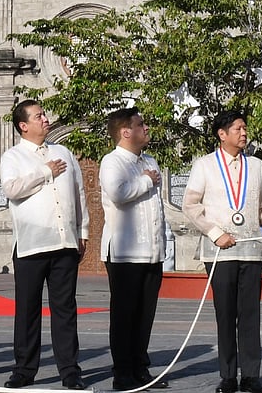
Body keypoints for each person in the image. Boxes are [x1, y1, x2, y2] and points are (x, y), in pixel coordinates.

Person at [182, 110, 262, 393]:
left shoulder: (256, 166)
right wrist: (215, 233)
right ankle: (227, 376)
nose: (244, 133)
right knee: (225, 315)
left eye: (245, 128)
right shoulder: (205, 165)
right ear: (222, 134)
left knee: (250, 314)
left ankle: (251, 376)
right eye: (238, 128)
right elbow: (191, 205)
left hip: (251, 250)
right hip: (219, 252)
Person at [0, 99, 89, 390]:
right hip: (30, 245)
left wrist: (83, 229)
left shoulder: (63, 152)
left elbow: (79, 192)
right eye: (39, 116)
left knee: (65, 308)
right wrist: (45, 172)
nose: (46, 119)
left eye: (45, 114)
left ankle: (70, 370)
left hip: (64, 241)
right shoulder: (13, 156)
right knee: (27, 309)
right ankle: (24, 369)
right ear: (24, 125)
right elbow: (11, 190)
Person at [99, 108, 168, 391]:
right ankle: (122, 371)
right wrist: (146, 181)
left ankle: (141, 366)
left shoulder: (149, 160)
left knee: (145, 313)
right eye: (141, 124)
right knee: (124, 313)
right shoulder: (112, 161)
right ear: (125, 131)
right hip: (125, 251)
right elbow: (118, 193)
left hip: (151, 249)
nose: (146, 128)